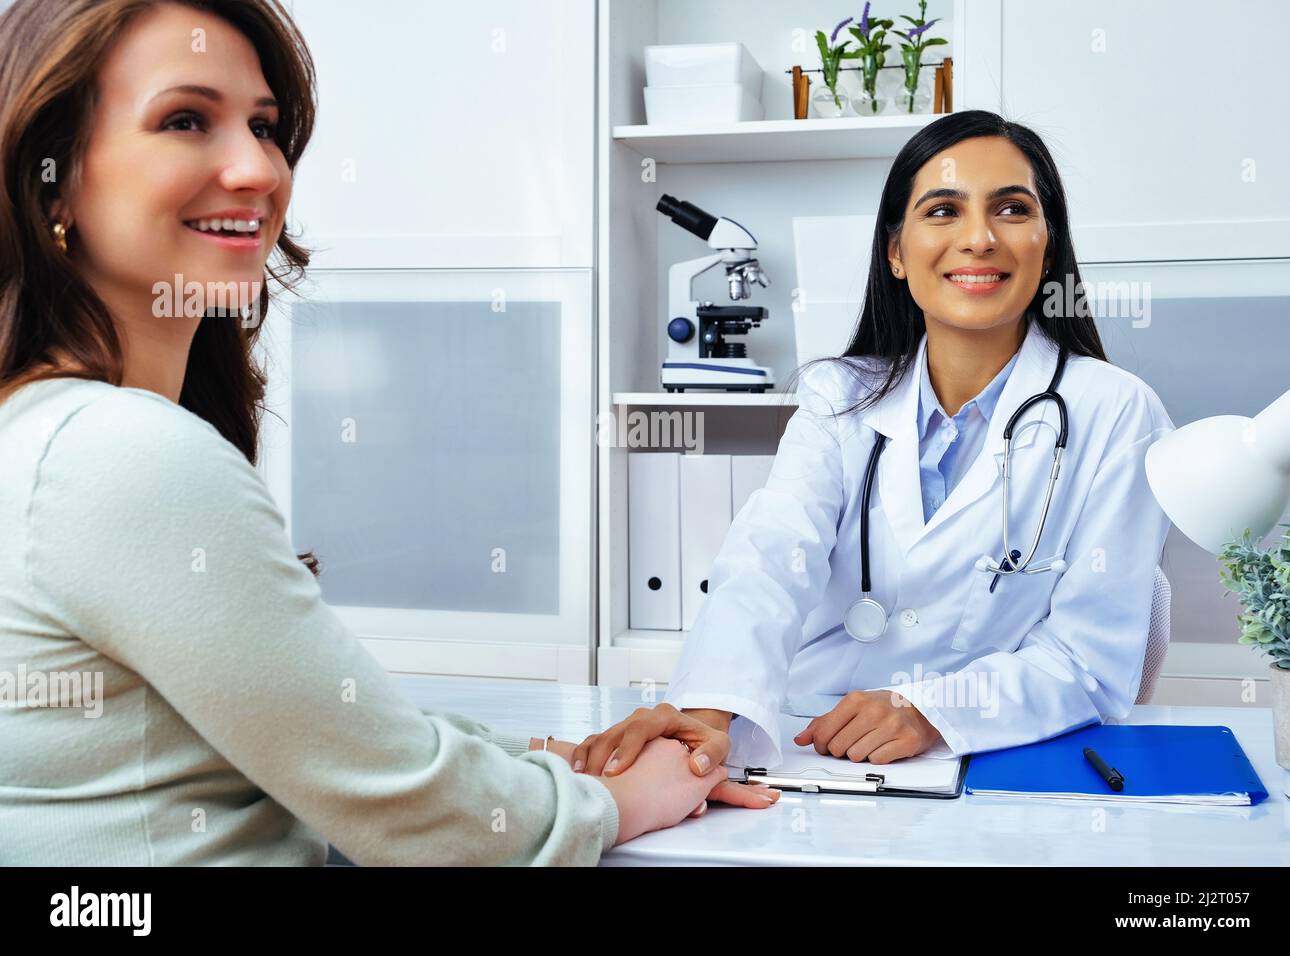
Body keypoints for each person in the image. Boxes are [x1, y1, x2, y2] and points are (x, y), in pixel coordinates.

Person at [0, 0, 776, 867]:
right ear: (51, 176)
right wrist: (611, 801)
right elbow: (405, 809)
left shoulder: (47, 429)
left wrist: (548, 758)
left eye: (264, 127)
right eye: (185, 120)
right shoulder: (123, 454)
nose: (256, 168)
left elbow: (325, 734)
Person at [574, 109, 1174, 780]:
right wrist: (709, 712)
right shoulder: (837, 395)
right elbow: (771, 553)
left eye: (1010, 209)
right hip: (810, 743)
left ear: (1047, 243)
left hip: (994, 756)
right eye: (943, 211)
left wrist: (929, 710)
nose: (978, 239)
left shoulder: (1118, 412)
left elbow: (1091, 660)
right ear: (896, 251)